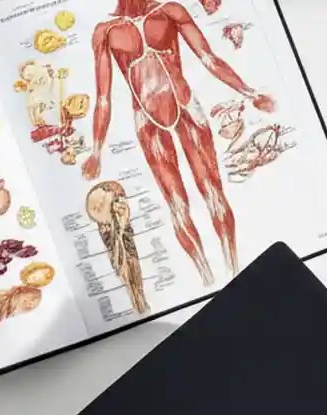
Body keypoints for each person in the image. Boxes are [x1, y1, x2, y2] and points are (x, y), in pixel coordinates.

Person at [83, 0, 274, 285]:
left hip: (186, 109)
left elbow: (208, 59)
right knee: (177, 205)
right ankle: (207, 282)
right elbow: (103, 98)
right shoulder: (105, 32)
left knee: (212, 192)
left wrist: (249, 93)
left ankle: (235, 272)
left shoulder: (170, 11)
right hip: (148, 123)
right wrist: (96, 151)